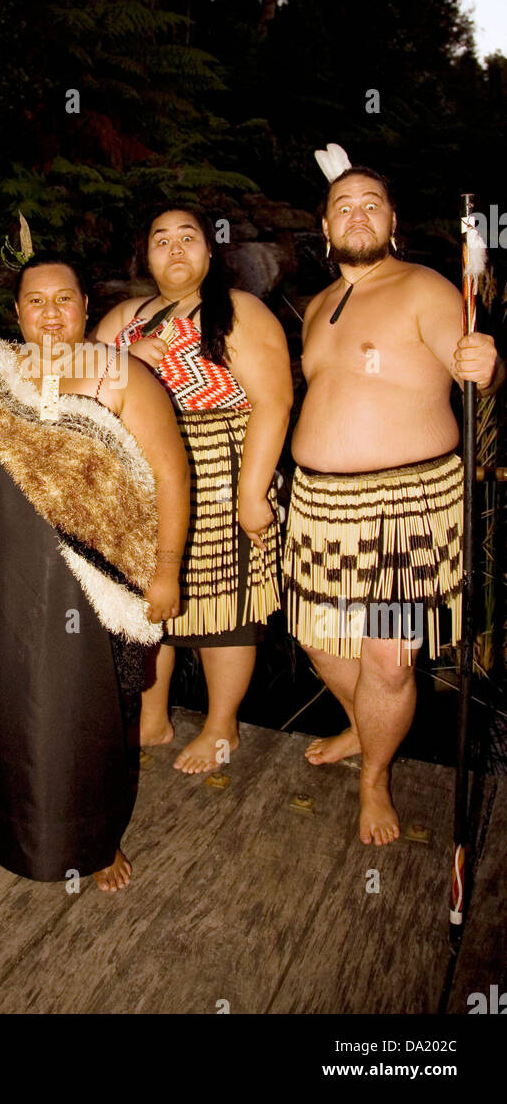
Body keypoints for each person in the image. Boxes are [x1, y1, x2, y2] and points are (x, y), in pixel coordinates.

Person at [0, 255, 190, 891]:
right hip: (5, 572)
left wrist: (167, 572)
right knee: (17, 708)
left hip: (96, 578)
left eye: (64, 299)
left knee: (91, 711)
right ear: (17, 313)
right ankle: (28, 837)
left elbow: (170, 476)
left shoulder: (122, 375)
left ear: (84, 307)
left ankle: (96, 840)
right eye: (35, 301)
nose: (50, 312)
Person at [284, 163, 502, 846]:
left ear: (391, 222)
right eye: (342, 205)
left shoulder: (425, 288)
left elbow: (479, 364)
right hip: (318, 504)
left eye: (370, 203)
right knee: (319, 638)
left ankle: (375, 777)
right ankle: (362, 724)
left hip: (408, 507)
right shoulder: (317, 307)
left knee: (388, 658)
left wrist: (486, 362)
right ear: (324, 226)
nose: (356, 213)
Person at [93, 208, 292, 774]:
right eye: (162, 239)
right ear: (145, 255)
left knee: (223, 603)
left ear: (210, 252)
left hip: (220, 467)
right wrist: (123, 359)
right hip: (139, 474)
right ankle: (152, 716)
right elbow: (75, 378)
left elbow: (273, 401)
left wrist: (252, 492)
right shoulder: (125, 319)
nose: (175, 249)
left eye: (189, 238)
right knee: (148, 599)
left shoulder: (238, 310)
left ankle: (221, 722)